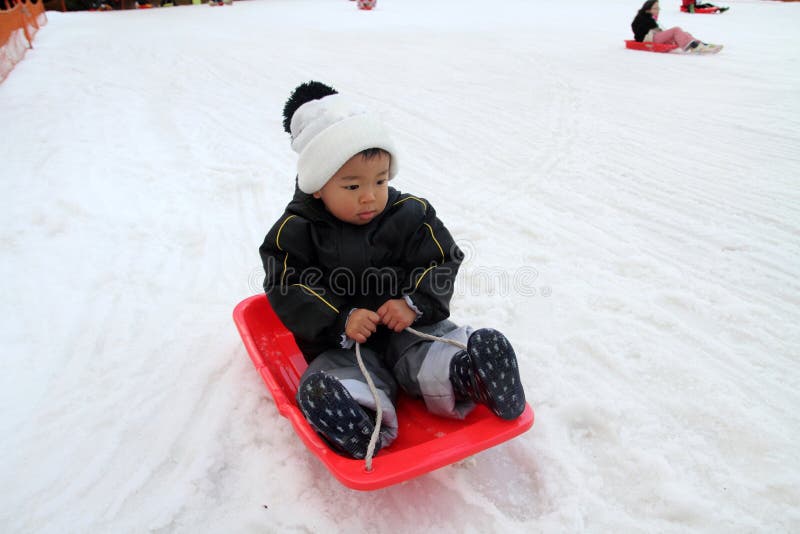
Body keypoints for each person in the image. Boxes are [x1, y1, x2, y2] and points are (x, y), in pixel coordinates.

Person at [259, 81, 527, 459]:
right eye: (352, 185)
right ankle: (356, 419)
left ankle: (474, 376)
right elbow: (287, 282)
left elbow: (440, 258)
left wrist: (414, 302)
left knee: (430, 352)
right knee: (340, 377)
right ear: (318, 186)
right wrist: (340, 320)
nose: (370, 195)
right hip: (345, 342)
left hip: (407, 325)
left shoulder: (409, 214)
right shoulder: (298, 230)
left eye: (381, 180)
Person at [631, 0, 722, 53]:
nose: (658, 10)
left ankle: (701, 45)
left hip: (655, 36)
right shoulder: (641, 18)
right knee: (676, 30)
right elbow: (636, 28)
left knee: (684, 34)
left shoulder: (650, 17)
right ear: (647, 9)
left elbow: (657, 29)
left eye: (658, 8)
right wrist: (641, 40)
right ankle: (695, 47)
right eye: (655, 8)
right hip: (650, 39)